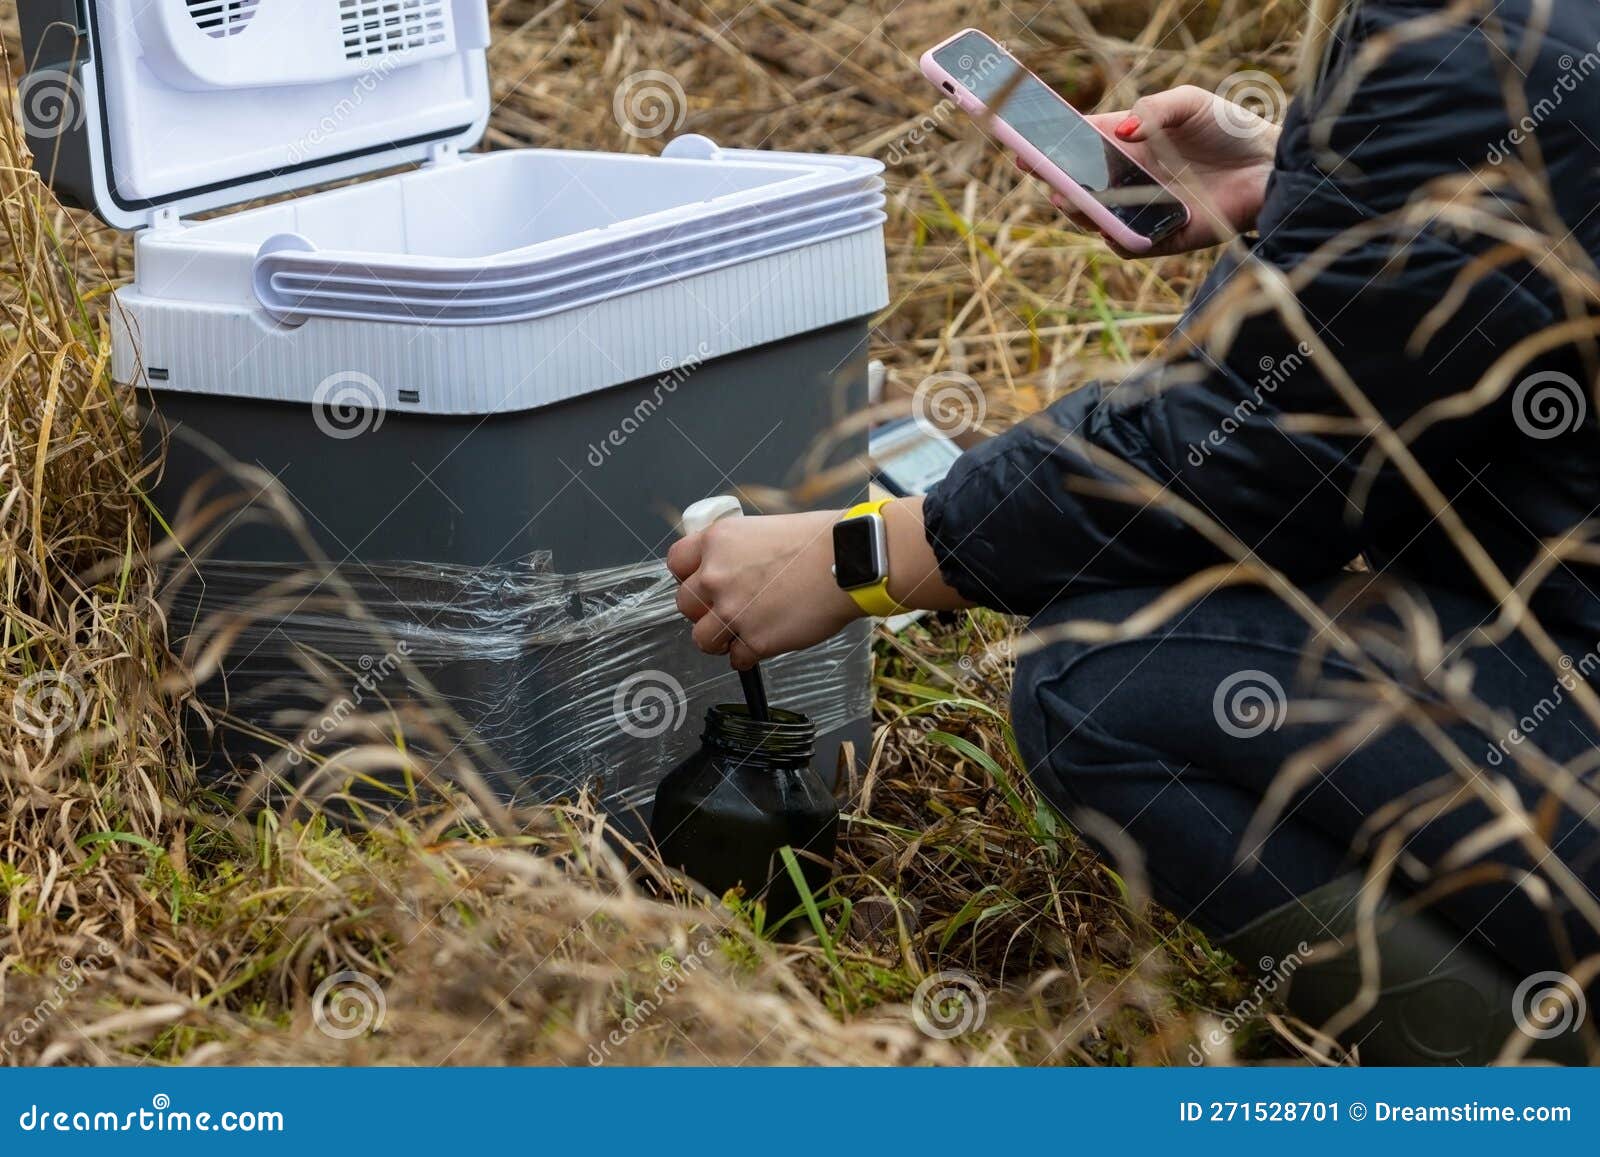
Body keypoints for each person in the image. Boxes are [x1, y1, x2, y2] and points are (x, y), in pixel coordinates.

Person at [668, 0, 1600, 1065]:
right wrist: (1295, 183)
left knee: (1102, 681)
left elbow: (1253, 460)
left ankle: (1506, 1077)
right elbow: (1404, 325)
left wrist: (866, 555)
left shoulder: (1472, 47)